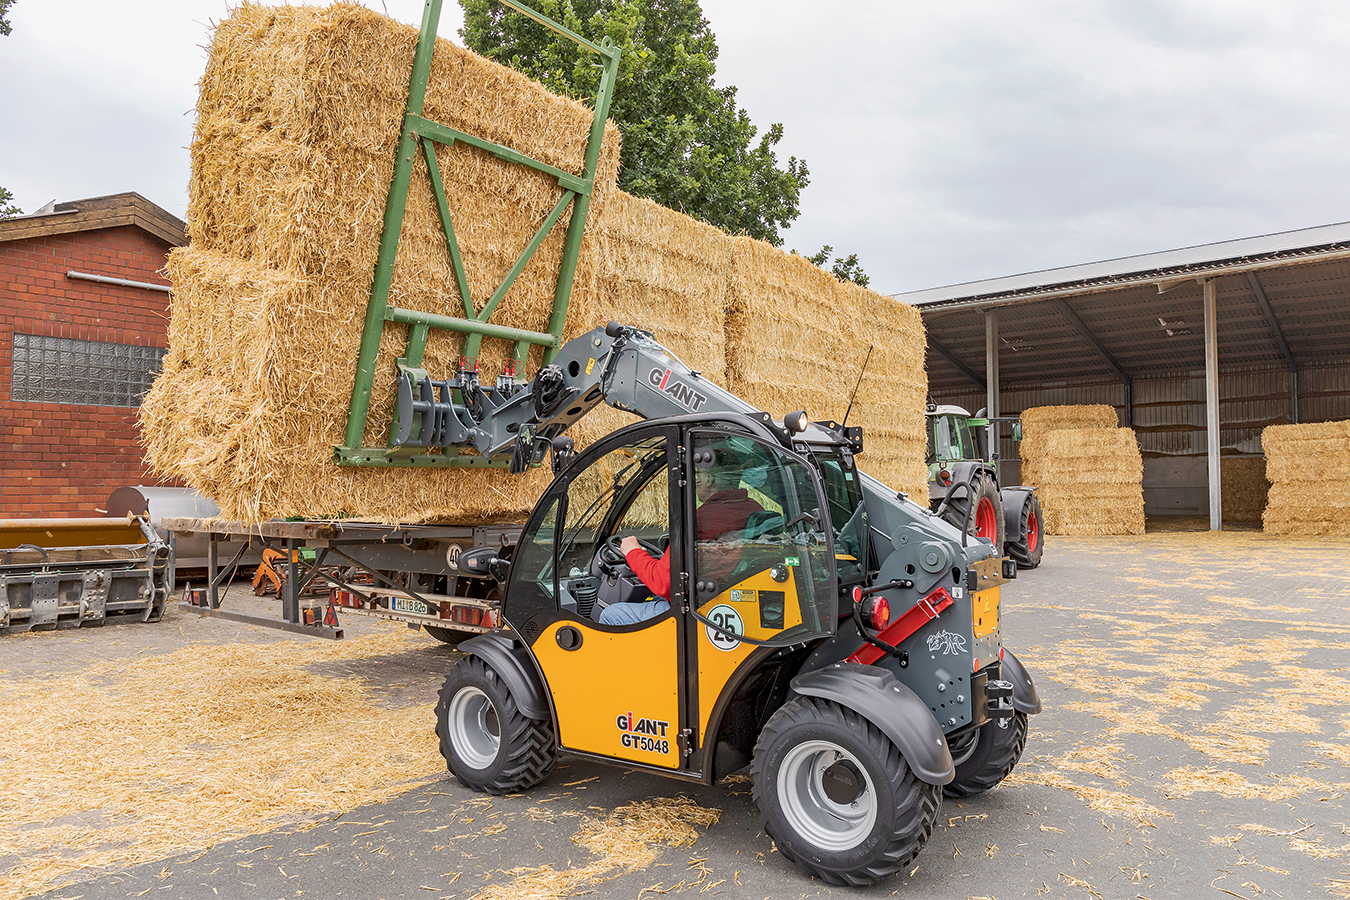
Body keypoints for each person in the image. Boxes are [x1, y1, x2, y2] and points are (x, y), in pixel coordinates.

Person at [598, 466, 764, 626]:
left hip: (695, 608)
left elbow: (662, 583)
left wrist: (633, 552)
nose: (695, 478)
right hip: (722, 597)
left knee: (610, 615)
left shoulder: (701, 519)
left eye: (698, 473)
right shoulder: (752, 507)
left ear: (708, 478)